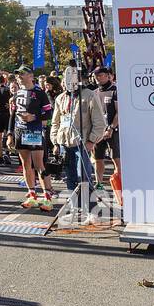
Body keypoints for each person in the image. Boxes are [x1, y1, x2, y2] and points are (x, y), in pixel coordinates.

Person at [50, 66, 106, 218]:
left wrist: (91, 141)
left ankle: (91, 211)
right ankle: (75, 209)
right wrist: (55, 141)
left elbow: (99, 122)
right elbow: (56, 122)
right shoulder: (60, 98)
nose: (66, 81)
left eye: (70, 77)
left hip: (81, 143)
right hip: (65, 143)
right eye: (65, 78)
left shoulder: (88, 95)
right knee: (70, 177)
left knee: (84, 177)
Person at [13, 66, 54, 210]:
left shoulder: (39, 93)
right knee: (25, 165)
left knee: (38, 165)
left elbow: (49, 114)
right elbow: (13, 114)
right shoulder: (17, 93)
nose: (19, 77)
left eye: (22, 74)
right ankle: (32, 195)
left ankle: (47, 197)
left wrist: (34, 117)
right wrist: (9, 134)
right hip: (19, 131)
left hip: (34, 132)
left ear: (31, 76)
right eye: (18, 75)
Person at [91, 67, 119, 191]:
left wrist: (112, 127)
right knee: (98, 159)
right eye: (96, 76)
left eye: (101, 75)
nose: (98, 78)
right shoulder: (94, 92)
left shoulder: (115, 90)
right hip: (98, 131)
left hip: (113, 130)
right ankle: (99, 184)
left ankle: (119, 185)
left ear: (108, 76)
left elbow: (119, 112)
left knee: (116, 159)